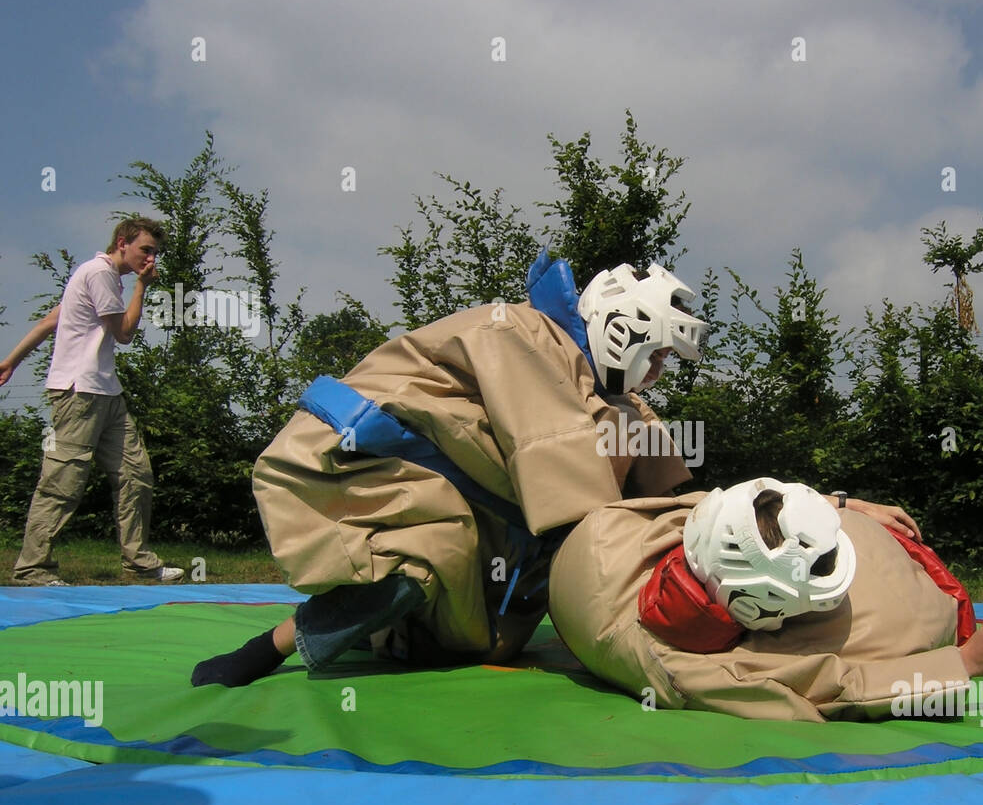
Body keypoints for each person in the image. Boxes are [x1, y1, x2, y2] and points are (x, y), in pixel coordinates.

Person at [191, 251, 703, 686]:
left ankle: (389, 633)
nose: (656, 373)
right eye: (655, 355)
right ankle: (276, 644)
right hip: (340, 466)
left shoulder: (599, 389)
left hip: (426, 478)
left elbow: (649, 479)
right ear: (622, 329)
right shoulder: (522, 337)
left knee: (493, 632)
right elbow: (580, 497)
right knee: (432, 551)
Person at [547, 477, 983, 722]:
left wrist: (845, 506)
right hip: (929, 614)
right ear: (764, 609)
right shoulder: (688, 670)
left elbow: (757, 499)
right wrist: (963, 663)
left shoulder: (633, 532)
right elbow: (836, 688)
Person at [2, 217, 183, 586]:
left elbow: (49, 322)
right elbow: (125, 333)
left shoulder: (96, 277)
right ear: (122, 243)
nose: (150, 259)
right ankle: (32, 567)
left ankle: (138, 562)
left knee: (136, 473)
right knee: (63, 481)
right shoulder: (99, 274)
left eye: (154, 253)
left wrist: (9, 362)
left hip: (106, 394)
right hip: (78, 393)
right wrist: (141, 288)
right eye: (145, 250)